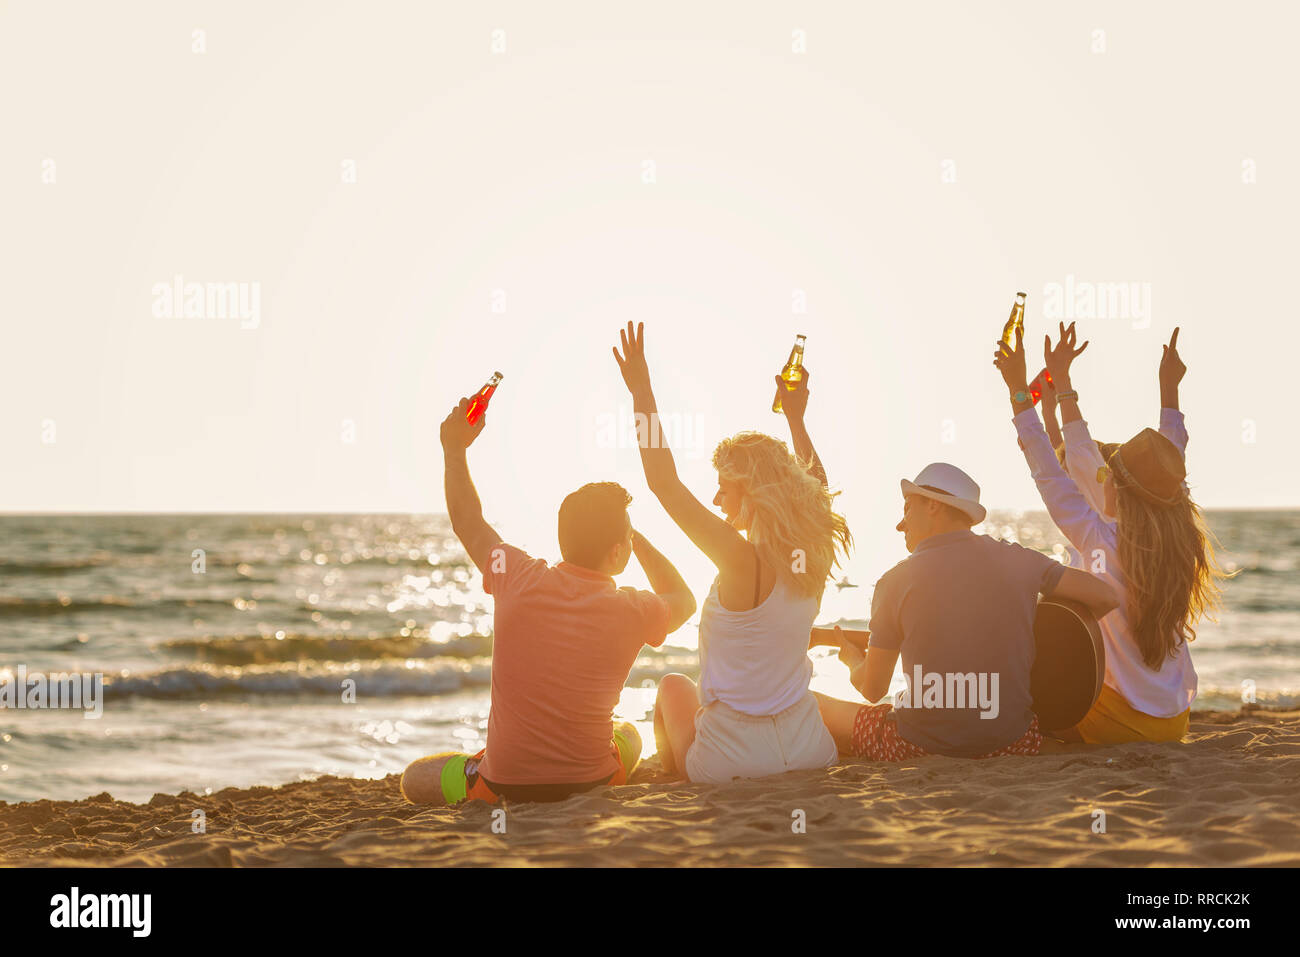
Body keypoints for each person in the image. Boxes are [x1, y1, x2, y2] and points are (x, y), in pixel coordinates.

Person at [400, 396, 697, 805]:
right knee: (628, 733)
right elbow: (683, 599)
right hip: (593, 784)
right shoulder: (634, 609)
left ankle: (477, 766)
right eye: (625, 539)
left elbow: (467, 520)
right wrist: (637, 540)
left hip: (502, 788)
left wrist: (454, 449)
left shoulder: (516, 574)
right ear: (617, 551)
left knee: (414, 779)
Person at [612, 322, 850, 783]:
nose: (717, 501)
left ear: (751, 492)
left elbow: (664, 483)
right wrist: (796, 419)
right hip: (809, 749)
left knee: (674, 687)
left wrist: (641, 391)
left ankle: (676, 780)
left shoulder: (743, 562)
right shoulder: (813, 554)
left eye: (723, 490)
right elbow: (817, 492)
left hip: (733, 763)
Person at [994, 321, 1229, 744]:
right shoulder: (1176, 535)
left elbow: (1050, 471)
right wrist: (1168, 390)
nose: (1101, 477)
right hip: (1174, 722)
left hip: (1116, 725)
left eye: (1110, 475)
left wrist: (1018, 391)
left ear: (1119, 490)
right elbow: (1167, 454)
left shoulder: (1098, 538)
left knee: (1049, 617)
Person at [815, 463, 1119, 760]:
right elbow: (1105, 597)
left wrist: (853, 659)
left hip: (919, 746)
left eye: (907, 507)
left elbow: (872, 689)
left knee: (811, 704)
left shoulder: (894, 582)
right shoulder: (1021, 561)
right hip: (1014, 742)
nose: (900, 523)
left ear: (933, 506)